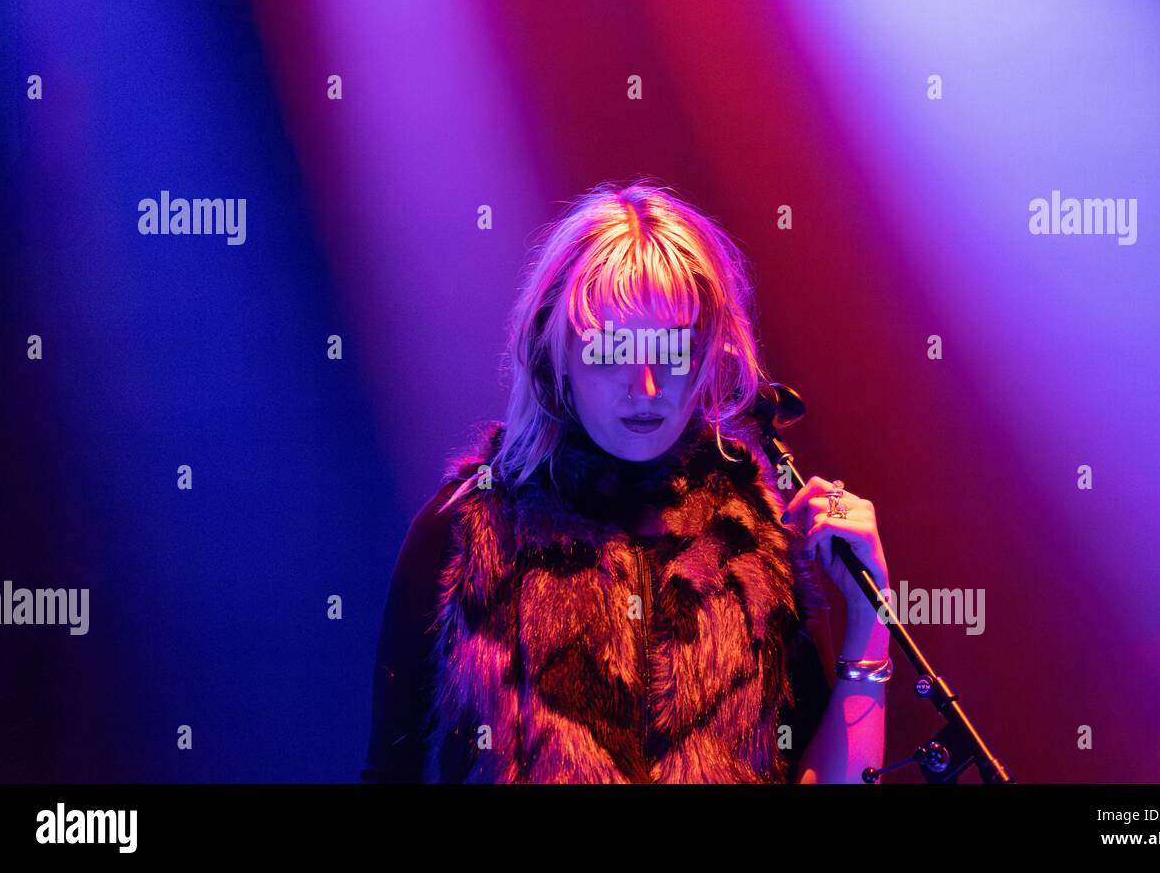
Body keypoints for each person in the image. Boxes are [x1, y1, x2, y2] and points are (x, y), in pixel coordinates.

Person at [362, 179, 891, 783]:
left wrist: (870, 621)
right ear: (552, 350)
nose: (645, 387)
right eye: (613, 349)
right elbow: (388, 775)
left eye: (673, 349)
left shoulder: (754, 538)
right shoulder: (467, 532)